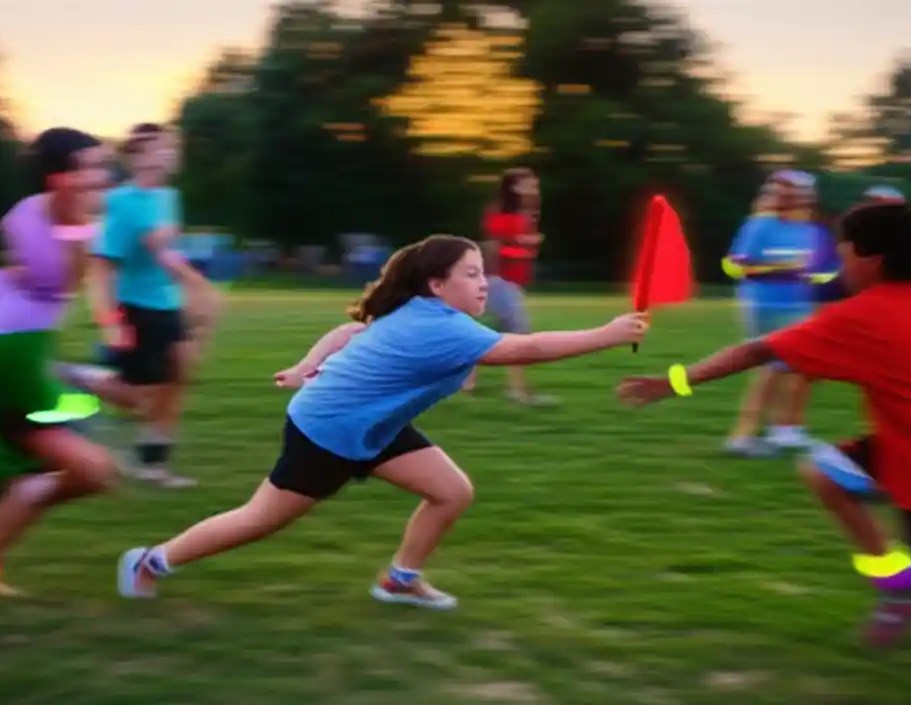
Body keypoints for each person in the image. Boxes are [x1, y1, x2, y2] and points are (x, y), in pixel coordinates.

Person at [115, 234, 648, 608]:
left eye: (484, 274)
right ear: (438, 285)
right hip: (329, 430)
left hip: (375, 426)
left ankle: (399, 581)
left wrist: (307, 364)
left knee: (451, 491)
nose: (485, 285)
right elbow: (527, 347)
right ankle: (150, 561)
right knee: (261, 519)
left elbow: (349, 333)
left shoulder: (424, 312)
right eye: (472, 274)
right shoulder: (443, 327)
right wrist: (607, 333)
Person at [618, 202, 911, 647]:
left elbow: (756, 352)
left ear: (872, 261)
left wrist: (674, 382)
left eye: (843, 258)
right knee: (825, 472)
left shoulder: (862, 316)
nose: (838, 269)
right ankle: (900, 584)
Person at [0, 127, 117, 593]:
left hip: (14, 352)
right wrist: (82, 383)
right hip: (9, 359)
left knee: (90, 470)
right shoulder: (70, 225)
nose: (101, 177)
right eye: (90, 168)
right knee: (90, 466)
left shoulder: (28, 212)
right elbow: (67, 280)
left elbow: (23, 272)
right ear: (60, 177)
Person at [70, 122, 220, 487]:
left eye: (172, 147)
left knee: (178, 378)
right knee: (137, 396)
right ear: (136, 156)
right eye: (158, 148)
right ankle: (74, 375)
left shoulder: (169, 197)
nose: (168, 154)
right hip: (134, 307)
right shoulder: (121, 202)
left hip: (166, 303)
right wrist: (109, 320)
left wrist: (191, 286)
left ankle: (153, 464)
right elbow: (103, 267)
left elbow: (163, 252)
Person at [721, 170, 818, 456]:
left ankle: (785, 430)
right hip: (765, 304)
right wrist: (781, 269)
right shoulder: (759, 225)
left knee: (802, 367)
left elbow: (809, 268)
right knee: (773, 367)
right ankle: (741, 436)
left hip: (798, 304)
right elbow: (737, 266)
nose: (798, 196)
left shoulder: (807, 228)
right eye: (786, 190)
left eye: (800, 191)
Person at [462, 168, 553, 405]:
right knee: (520, 335)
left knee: (488, 334)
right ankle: (518, 391)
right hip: (499, 281)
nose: (534, 189)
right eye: (528, 185)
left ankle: (467, 381)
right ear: (513, 187)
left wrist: (527, 244)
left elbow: (523, 250)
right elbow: (493, 247)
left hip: (511, 282)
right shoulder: (502, 214)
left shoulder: (527, 214)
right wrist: (522, 244)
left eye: (535, 185)